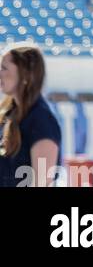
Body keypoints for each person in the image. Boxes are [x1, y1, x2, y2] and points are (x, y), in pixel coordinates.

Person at [0, 44, 62, 187]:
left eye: (4, 68)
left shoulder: (41, 120)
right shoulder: (8, 114)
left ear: (25, 73)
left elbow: (41, 183)